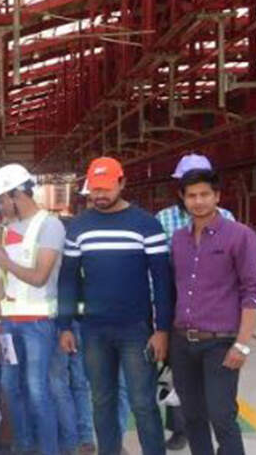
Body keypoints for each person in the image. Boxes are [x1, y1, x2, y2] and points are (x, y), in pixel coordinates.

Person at [58, 157, 172, 455]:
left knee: (143, 403)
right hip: (93, 331)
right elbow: (67, 279)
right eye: (95, 189)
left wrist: (162, 330)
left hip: (136, 330)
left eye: (107, 188)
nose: (100, 195)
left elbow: (162, 281)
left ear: (122, 183)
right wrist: (64, 325)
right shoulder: (79, 227)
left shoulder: (146, 225)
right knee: (101, 401)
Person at [169, 169, 256, 455]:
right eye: (192, 196)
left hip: (220, 342)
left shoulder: (240, 236)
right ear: (183, 199)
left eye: (204, 195)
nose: (198, 201)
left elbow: (253, 292)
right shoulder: (178, 239)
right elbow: (174, 287)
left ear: (217, 197)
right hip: (183, 341)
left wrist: (242, 344)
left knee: (222, 416)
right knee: (193, 416)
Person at [0, 163, 66, 455]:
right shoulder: (8, 230)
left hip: (37, 324)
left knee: (37, 390)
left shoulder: (50, 225)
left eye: (1, 200)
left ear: (17, 194)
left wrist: (6, 262)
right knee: (10, 386)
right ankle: (24, 445)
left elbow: (40, 276)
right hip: (9, 324)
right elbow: (1, 285)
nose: (0, 207)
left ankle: (49, 449)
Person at [153, 156, 229, 451]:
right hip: (178, 307)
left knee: (218, 384)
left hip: (214, 315)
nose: (197, 198)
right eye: (190, 190)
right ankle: (180, 428)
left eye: (203, 191)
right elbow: (159, 270)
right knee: (179, 376)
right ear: (180, 190)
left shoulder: (227, 219)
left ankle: (223, 433)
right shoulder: (164, 220)